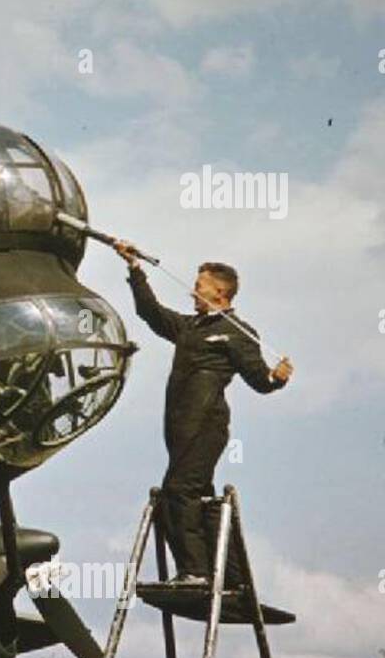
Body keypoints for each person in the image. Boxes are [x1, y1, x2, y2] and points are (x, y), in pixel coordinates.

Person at [113, 241, 293, 586]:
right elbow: (150, 312)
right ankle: (228, 575)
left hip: (206, 427)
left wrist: (277, 378)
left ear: (220, 293)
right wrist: (135, 269)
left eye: (199, 287)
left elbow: (261, 381)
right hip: (179, 430)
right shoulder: (189, 328)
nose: (191, 292)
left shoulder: (237, 333)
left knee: (179, 492)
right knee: (187, 497)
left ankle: (196, 572)